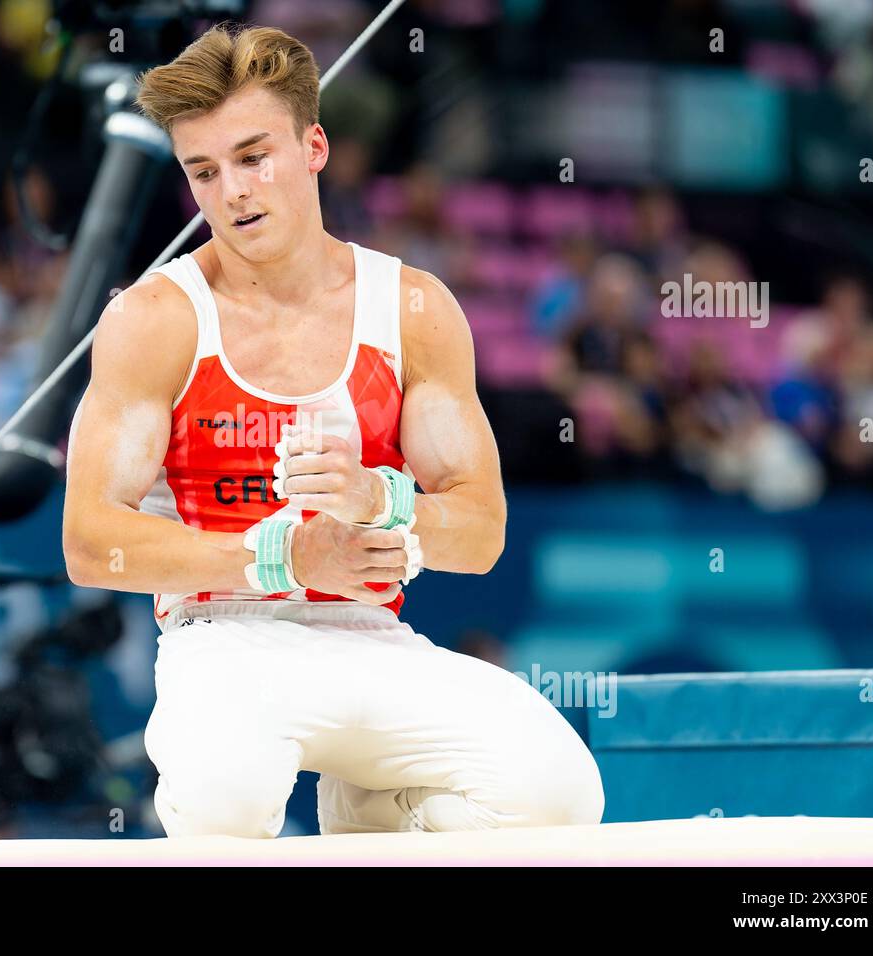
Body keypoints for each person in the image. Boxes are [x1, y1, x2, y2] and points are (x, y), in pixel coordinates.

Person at [62, 23, 604, 838]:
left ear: (314, 146)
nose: (233, 191)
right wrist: (274, 555)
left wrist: (385, 504)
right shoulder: (154, 320)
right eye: (203, 172)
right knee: (226, 801)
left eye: (253, 157)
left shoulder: (412, 309)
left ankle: (371, 811)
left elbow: (482, 532)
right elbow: (88, 543)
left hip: (369, 631)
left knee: (558, 796)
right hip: (224, 638)